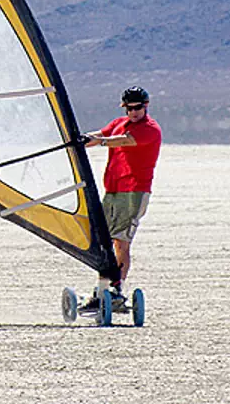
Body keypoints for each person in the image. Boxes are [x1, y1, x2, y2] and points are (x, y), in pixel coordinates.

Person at [81, 85, 162, 310]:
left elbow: (123, 140)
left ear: (145, 107)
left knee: (121, 241)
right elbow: (102, 134)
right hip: (113, 190)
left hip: (134, 192)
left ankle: (117, 288)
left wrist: (100, 142)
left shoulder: (150, 129)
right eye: (129, 108)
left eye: (138, 108)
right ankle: (101, 289)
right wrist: (81, 139)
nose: (133, 112)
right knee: (103, 241)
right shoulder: (119, 123)